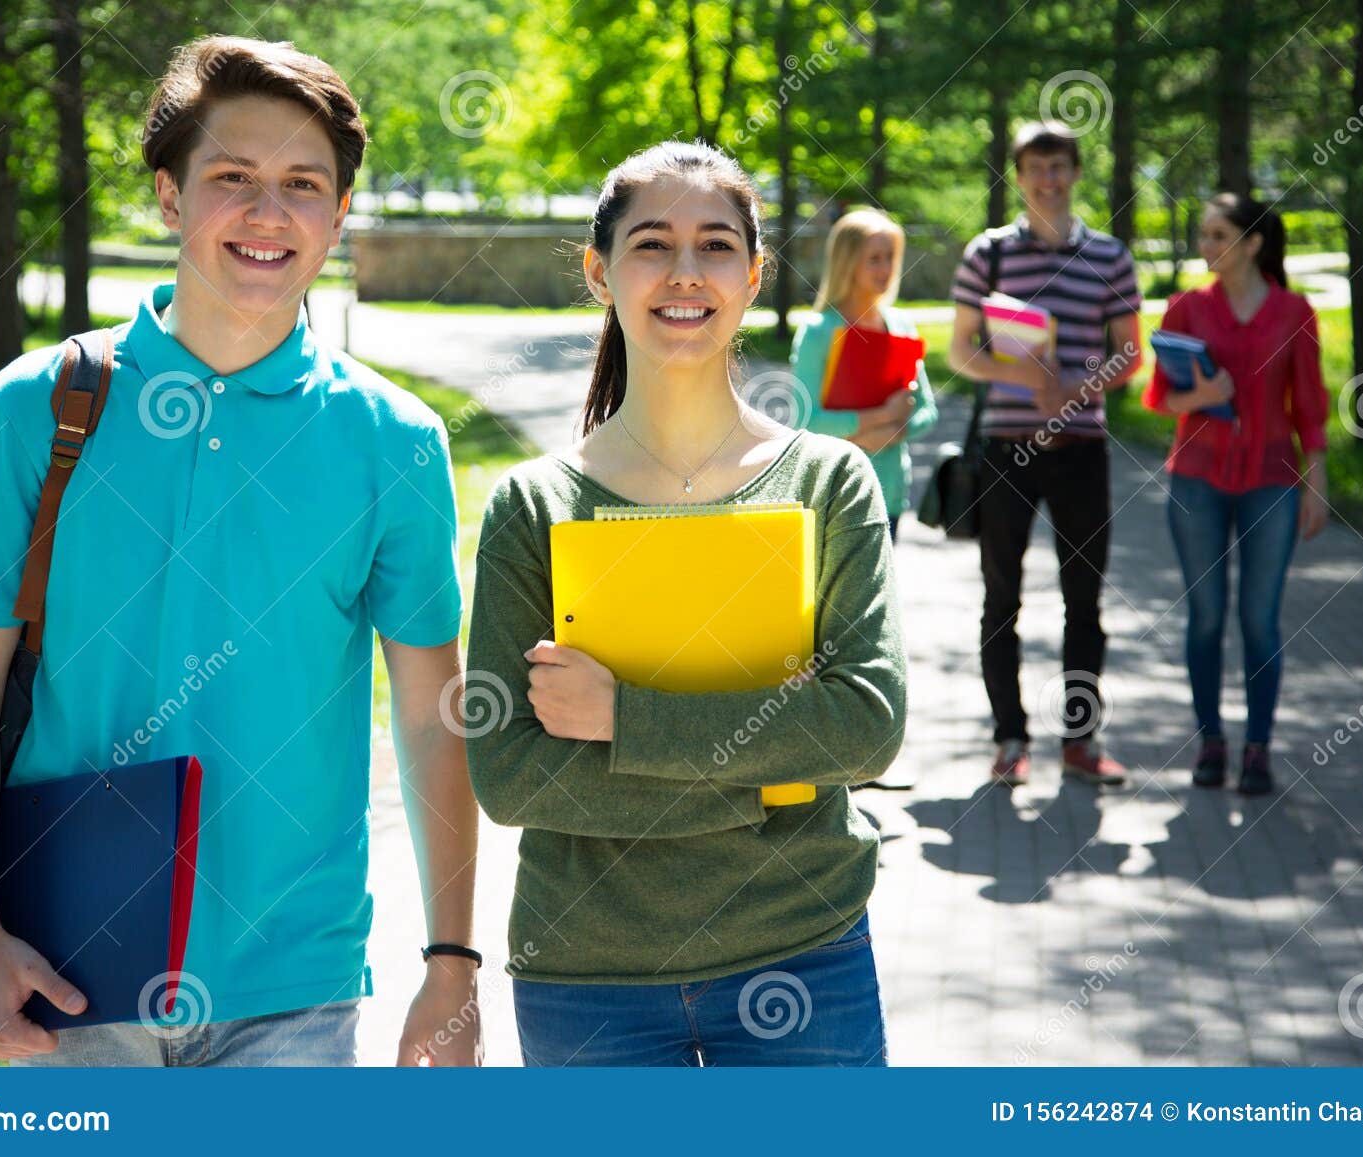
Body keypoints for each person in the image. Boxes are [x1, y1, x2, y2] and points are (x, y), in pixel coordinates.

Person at [0, 36, 481, 1066]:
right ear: (170, 199)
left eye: (303, 185)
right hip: (66, 961)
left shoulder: (393, 440)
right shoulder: (34, 408)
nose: (269, 213)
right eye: (233, 178)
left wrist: (451, 961)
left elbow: (430, 713)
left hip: (295, 981)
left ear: (339, 214)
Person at [464, 141, 906, 1067]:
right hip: (586, 977)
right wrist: (764, 787)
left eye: (714, 246)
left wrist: (623, 719)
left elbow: (863, 726)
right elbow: (509, 778)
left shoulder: (830, 482)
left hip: (802, 954)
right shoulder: (533, 505)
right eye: (652, 243)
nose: (684, 273)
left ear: (752, 275)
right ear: (600, 270)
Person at [947, 119, 1143, 789]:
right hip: (1007, 449)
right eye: (1036, 168)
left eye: (1059, 167)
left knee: (1082, 600)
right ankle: (1010, 739)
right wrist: (1027, 375)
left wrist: (1077, 385)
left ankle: (1081, 741)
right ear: (1019, 176)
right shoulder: (989, 254)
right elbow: (960, 349)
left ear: (1075, 172)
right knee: (1001, 597)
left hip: (1082, 447)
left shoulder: (1111, 255)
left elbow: (1130, 351)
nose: (1048, 180)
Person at [1143, 193, 1329, 796]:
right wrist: (1199, 398)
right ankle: (1211, 742)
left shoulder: (1293, 311)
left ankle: (1257, 750)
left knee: (1259, 620)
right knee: (1205, 618)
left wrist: (1316, 477)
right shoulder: (1185, 309)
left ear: (1252, 243)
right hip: (1197, 476)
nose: (1205, 246)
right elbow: (1156, 398)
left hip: (1272, 480)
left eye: (1217, 234)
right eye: (1202, 234)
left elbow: (1308, 402)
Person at [790, 209, 940, 542]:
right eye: (874, 259)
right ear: (847, 262)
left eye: (890, 257)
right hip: (835, 495)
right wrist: (882, 418)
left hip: (890, 495)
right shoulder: (819, 332)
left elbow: (927, 411)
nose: (885, 269)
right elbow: (805, 420)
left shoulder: (902, 326)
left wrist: (894, 431)